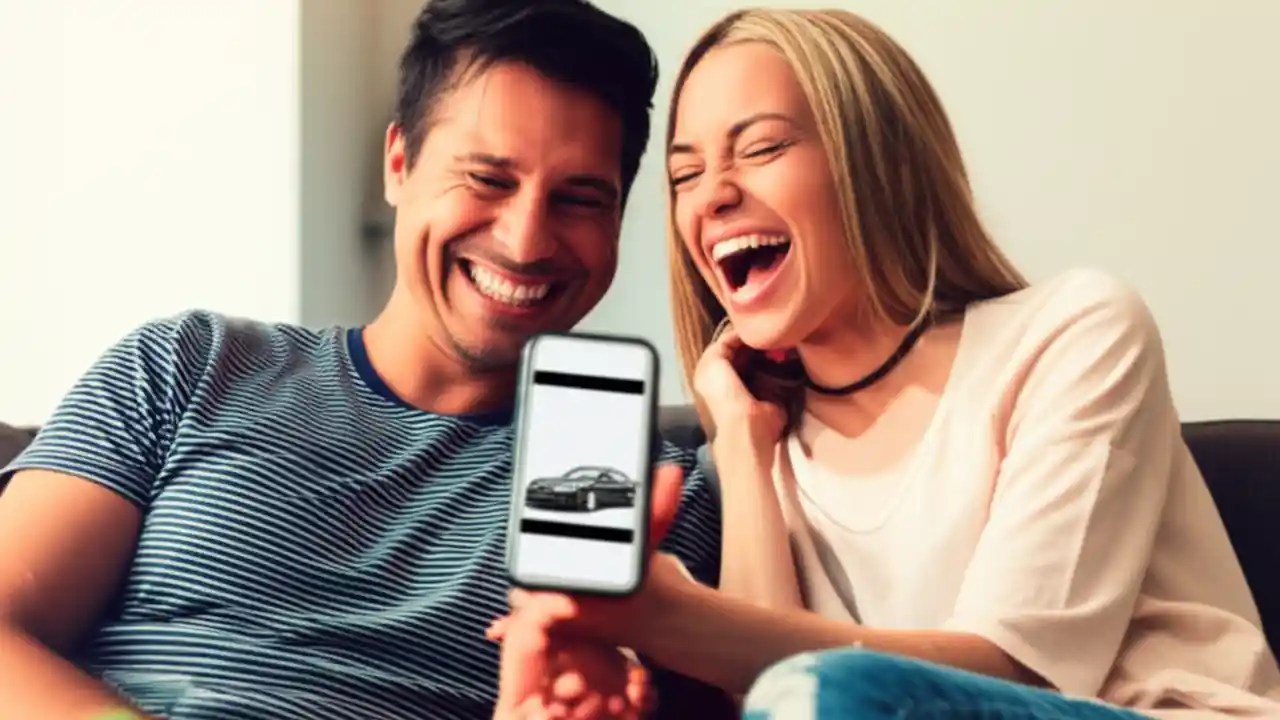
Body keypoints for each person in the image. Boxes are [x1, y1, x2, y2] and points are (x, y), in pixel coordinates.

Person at [488, 8, 1280, 719]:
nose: (713, 196)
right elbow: (769, 698)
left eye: (759, 147)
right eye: (685, 175)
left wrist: (664, 616)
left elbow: (1018, 683)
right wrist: (741, 442)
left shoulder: (1074, 333)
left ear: (878, 162)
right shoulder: (763, 440)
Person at [0, 1, 724, 718]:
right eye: (488, 180)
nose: (527, 240)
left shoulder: (653, 497)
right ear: (399, 164)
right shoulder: (184, 367)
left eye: (579, 199)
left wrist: (748, 435)